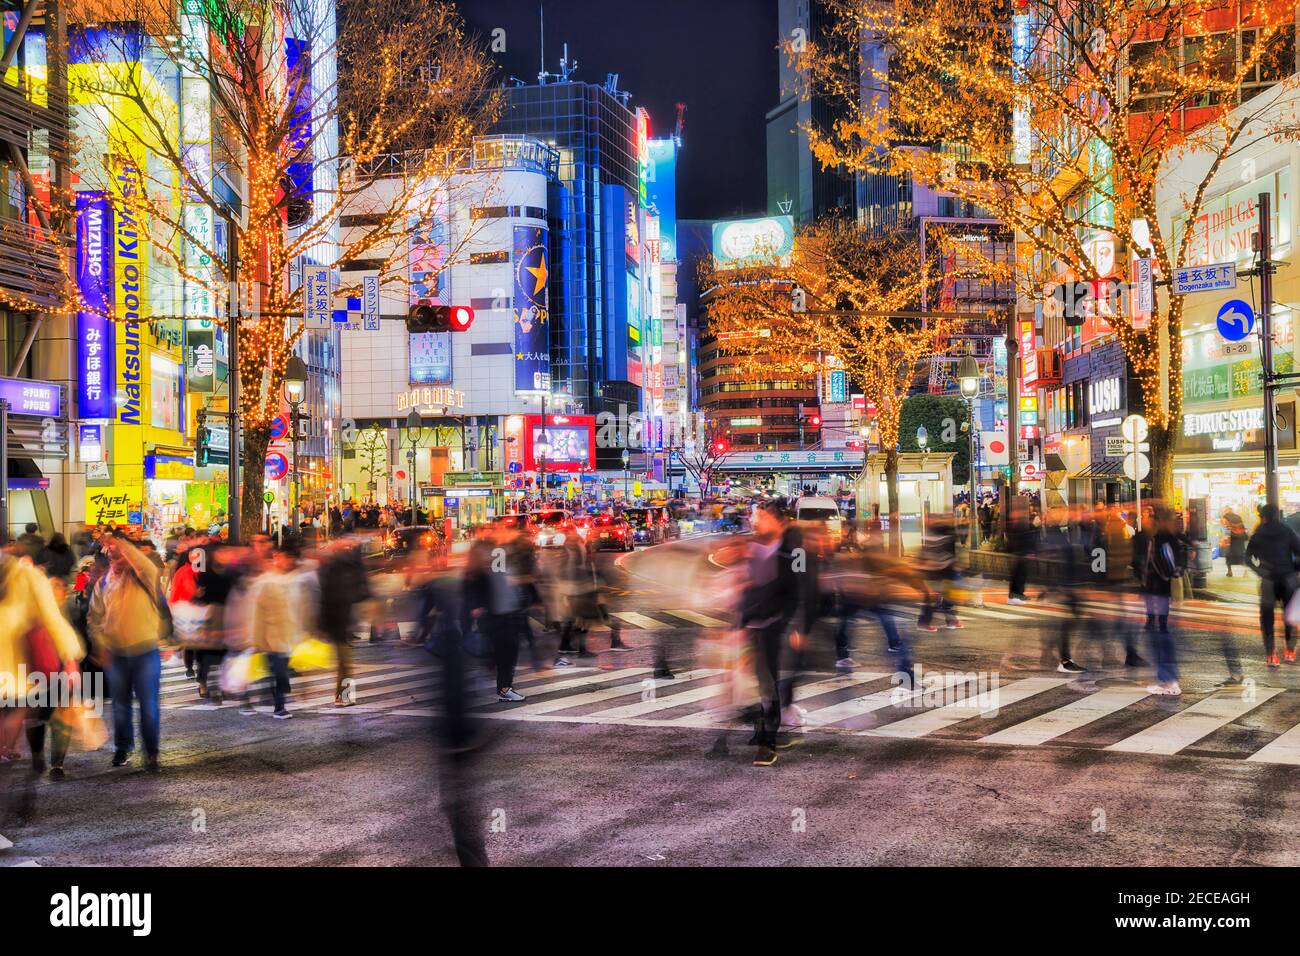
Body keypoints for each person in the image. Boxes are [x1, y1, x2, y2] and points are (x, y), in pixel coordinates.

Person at [87, 535, 167, 770]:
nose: (116, 559)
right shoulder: (103, 583)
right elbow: (94, 618)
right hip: (116, 653)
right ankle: (123, 748)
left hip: (145, 650)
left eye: (120, 555)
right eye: (112, 556)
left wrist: (121, 544)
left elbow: (144, 564)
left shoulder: (144, 577)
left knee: (148, 705)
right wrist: (100, 644)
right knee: (120, 705)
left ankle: (151, 752)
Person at [738, 500, 805, 767]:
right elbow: (747, 586)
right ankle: (761, 727)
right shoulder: (752, 550)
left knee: (769, 683)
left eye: (762, 517)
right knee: (755, 682)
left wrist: (798, 625)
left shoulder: (793, 550)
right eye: (756, 517)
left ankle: (769, 742)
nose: (756, 522)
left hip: (775, 625)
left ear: (777, 521)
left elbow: (801, 587)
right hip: (753, 624)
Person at [248, 543, 307, 718]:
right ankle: (279, 706)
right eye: (279, 557)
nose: (283, 561)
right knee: (279, 672)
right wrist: (258, 640)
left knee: (279, 672)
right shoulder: (267, 582)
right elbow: (258, 613)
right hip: (271, 636)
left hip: (288, 635)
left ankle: (274, 695)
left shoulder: (295, 579)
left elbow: (300, 608)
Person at [1132, 506, 1182, 696]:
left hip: (1159, 594)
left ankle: (1168, 681)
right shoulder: (1164, 538)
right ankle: (1168, 679)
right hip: (1159, 593)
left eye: (1151, 517)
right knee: (1162, 638)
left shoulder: (1162, 539)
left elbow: (1168, 567)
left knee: (1162, 639)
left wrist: (1154, 581)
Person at [317, 537, 371, 706]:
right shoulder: (340, 573)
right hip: (339, 624)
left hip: (339, 623)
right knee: (346, 663)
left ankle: (341, 696)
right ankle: (344, 697)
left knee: (344, 663)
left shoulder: (332, 571)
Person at [1246, 502, 1300, 667]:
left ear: (1263, 517)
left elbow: (1247, 558)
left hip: (1268, 579)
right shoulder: (1287, 531)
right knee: (1290, 615)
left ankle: (1271, 654)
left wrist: (1260, 570)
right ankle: (1289, 651)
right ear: (1277, 515)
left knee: (1267, 617)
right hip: (1287, 578)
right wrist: (1295, 569)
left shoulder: (1258, 534)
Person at [1222, 507, 1248, 577]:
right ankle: (1246, 571)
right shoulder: (1238, 517)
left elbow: (1227, 528)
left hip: (1233, 539)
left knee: (1229, 557)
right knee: (1241, 556)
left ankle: (1229, 571)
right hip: (1240, 538)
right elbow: (1243, 527)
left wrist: (1225, 539)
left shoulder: (1226, 517)